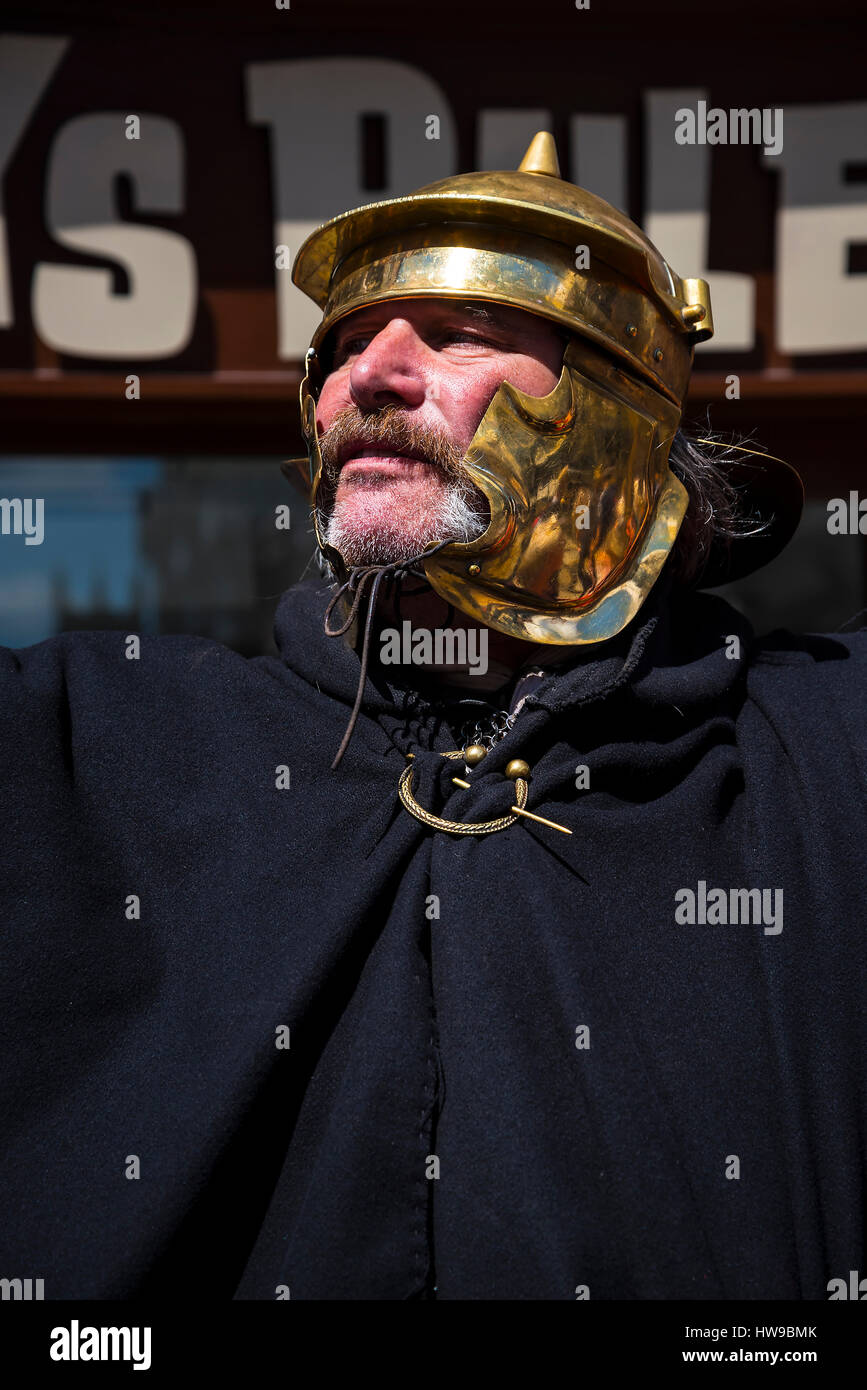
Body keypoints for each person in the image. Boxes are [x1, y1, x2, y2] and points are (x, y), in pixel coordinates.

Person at [1, 134, 864, 1302]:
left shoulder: (810, 753)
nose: (370, 372)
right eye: (347, 345)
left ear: (615, 414)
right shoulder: (104, 739)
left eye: (457, 334)